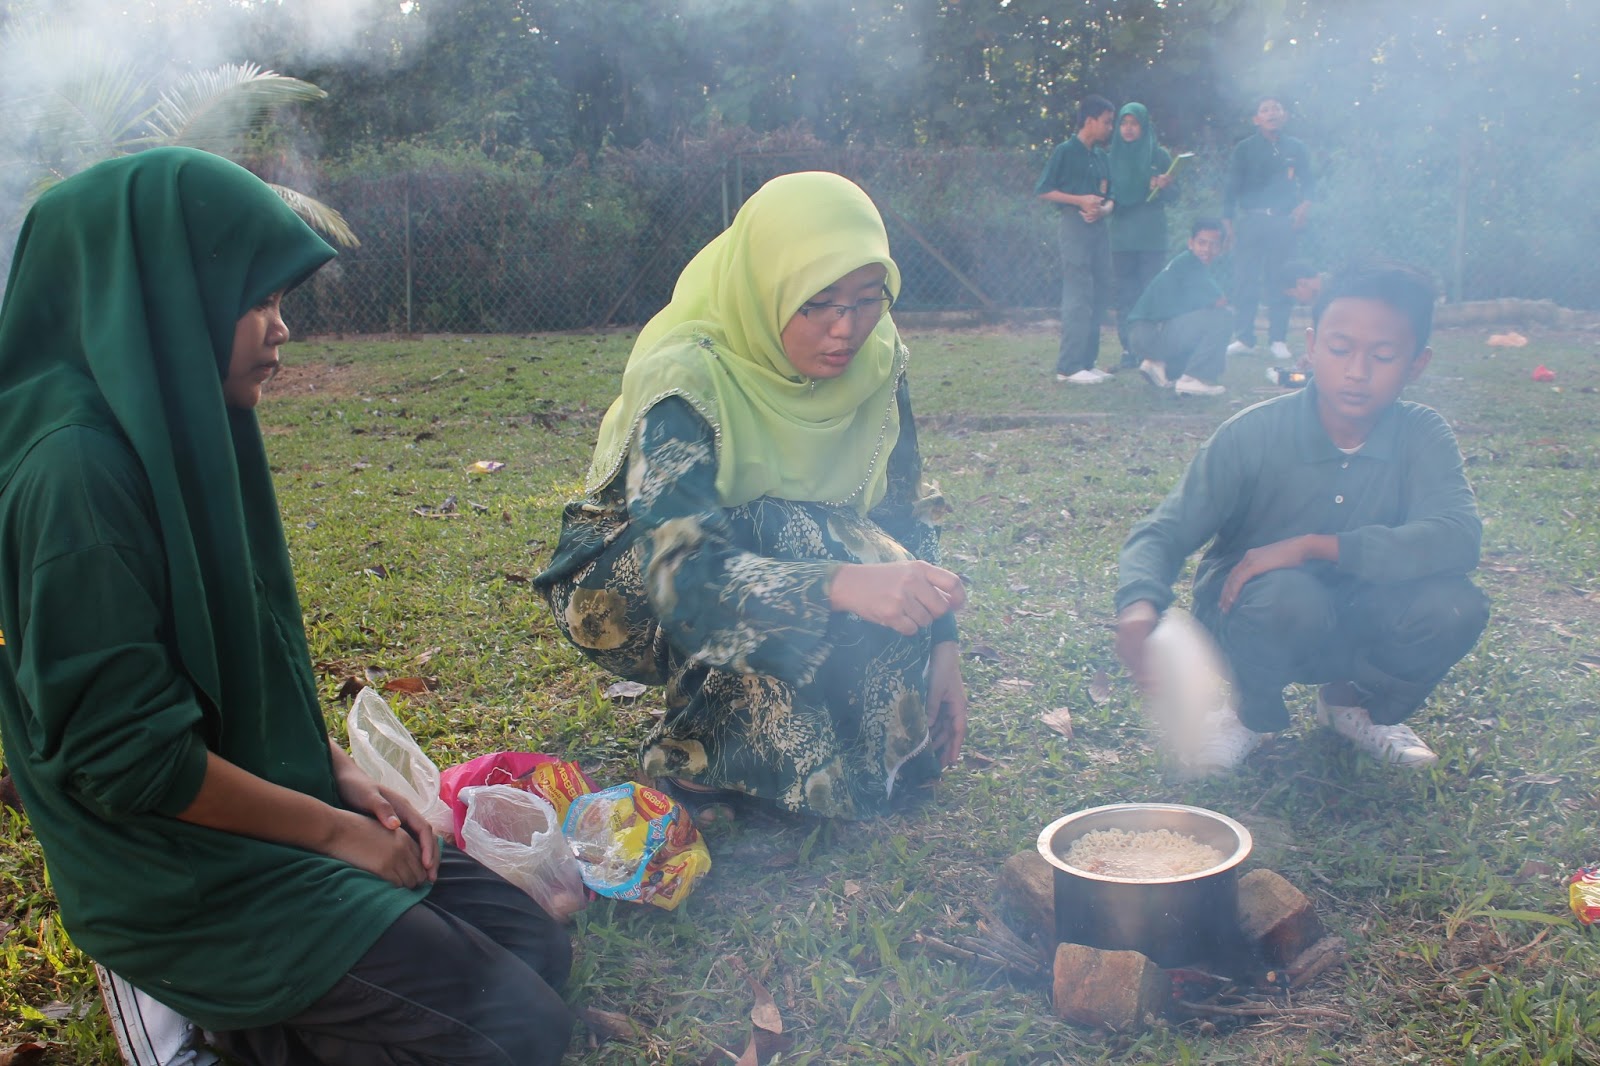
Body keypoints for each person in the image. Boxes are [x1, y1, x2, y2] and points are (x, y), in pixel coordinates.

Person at [0, 148, 573, 1065]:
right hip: (171, 856)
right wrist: (341, 836)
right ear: (160, 299)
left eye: (281, 302)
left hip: (265, 787)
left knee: (539, 949)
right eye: (257, 301)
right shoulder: (74, 476)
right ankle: (191, 1005)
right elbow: (127, 764)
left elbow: (250, 640)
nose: (282, 330)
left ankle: (288, 997)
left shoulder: (185, 408)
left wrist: (339, 769)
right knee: (511, 1035)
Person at [535, 171, 968, 821]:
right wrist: (840, 584)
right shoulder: (688, 373)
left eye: (867, 297)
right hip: (628, 587)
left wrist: (944, 644)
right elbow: (681, 574)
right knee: (805, 533)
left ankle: (757, 756)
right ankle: (696, 748)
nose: (846, 328)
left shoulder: (880, 358)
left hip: (792, 557)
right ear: (767, 288)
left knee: (883, 757)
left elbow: (901, 511)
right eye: (818, 301)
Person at [1114, 260, 1488, 777]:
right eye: (1339, 349)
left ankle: (1350, 705)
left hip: (1363, 614)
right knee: (1286, 596)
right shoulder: (1253, 434)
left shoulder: (1423, 436)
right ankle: (1248, 714)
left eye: (1382, 355)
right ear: (1311, 347)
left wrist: (1315, 545)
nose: (1357, 371)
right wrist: (1138, 605)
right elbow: (1164, 531)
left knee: (1455, 606)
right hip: (1251, 613)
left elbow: (1459, 537)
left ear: (1416, 364)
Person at [1222, 95, 1315, 363]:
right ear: (1256, 119)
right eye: (1265, 109)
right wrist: (1227, 221)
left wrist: (1304, 206)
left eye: (1276, 108)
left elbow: (1309, 182)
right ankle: (1244, 338)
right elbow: (1231, 187)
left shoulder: (1295, 148)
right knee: (1245, 280)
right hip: (1250, 221)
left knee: (1281, 279)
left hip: (1283, 221)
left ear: (1284, 115)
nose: (1271, 113)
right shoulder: (1244, 149)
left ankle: (1278, 339)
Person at [1036, 94, 1116, 385]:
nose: (1110, 127)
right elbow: (1044, 190)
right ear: (1090, 121)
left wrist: (1103, 209)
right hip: (1074, 226)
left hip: (1098, 228)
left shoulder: (1100, 156)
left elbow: (1111, 198)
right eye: (1106, 122)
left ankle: (1087, 362)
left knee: (1100, 291)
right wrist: (1079, 200)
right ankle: (1068, 367)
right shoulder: (1065, 151)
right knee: (1079, 294)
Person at [1107, 102, 1178, 370]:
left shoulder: (1158, 154)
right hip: (1122, 237)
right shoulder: (1110, 155)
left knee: (1151, 293)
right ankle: (1129, 349)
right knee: (1125, 295)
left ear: (1144, 125)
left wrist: (1165, 185)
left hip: (1151, 237)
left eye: (1134, 123)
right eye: (1123, 123)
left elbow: (1175, 196)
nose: (1128, 129)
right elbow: (1108, 196)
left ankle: (1151, 351)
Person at [1125, 218, 1231, 397]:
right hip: (1152, 333)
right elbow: (1220, 302)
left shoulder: (1186, 263)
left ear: (1220, 248)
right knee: (1223, 317)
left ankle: (1156, 364)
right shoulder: (1190, 264)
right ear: (1191, 243)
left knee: (1203, 323)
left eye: (1213, 245)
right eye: (1201, 243)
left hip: (1144, 335)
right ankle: (1194, 379)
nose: (1207, 249)